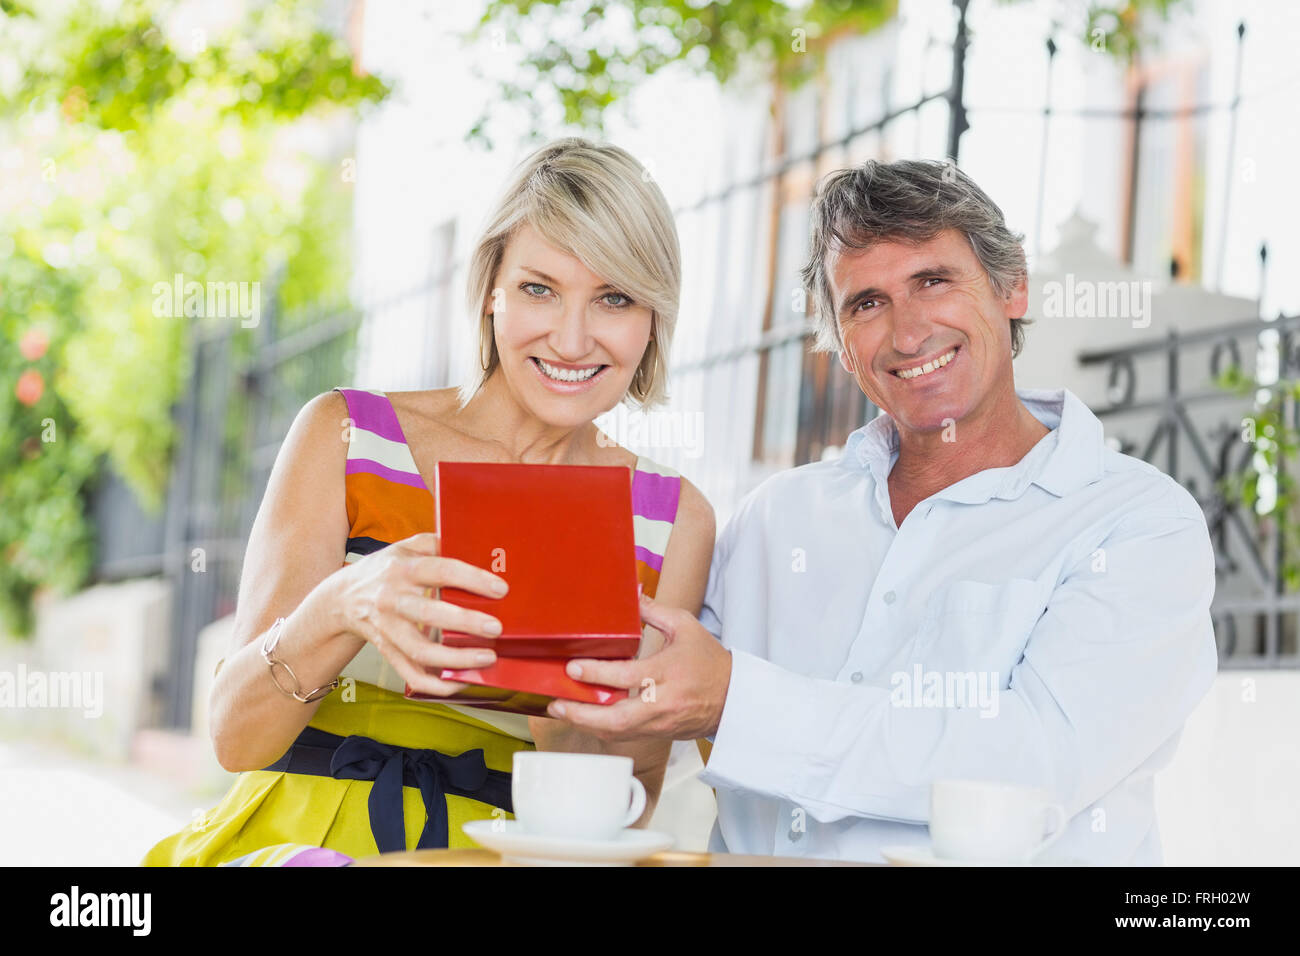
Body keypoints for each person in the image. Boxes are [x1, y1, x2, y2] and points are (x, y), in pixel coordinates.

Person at [548, 158, 1219, 865]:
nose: (906, 334)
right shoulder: (775, 518)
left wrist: (736, 701)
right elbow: (645, 710)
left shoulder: (1137, 525)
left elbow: (1031, 766)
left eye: (933, 281)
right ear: (839, 343)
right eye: (866, 303)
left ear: (1012, 284)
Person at [143, 137, 714, 866]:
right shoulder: (346, 435)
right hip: (301, 841)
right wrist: (347, 602)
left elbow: (627, 810)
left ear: (652, 318)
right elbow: (234, 738)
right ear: (489, 291)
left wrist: (568, 696)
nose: (572, 340)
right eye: (540, 288)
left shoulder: (671, 520)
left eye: (614, 298)